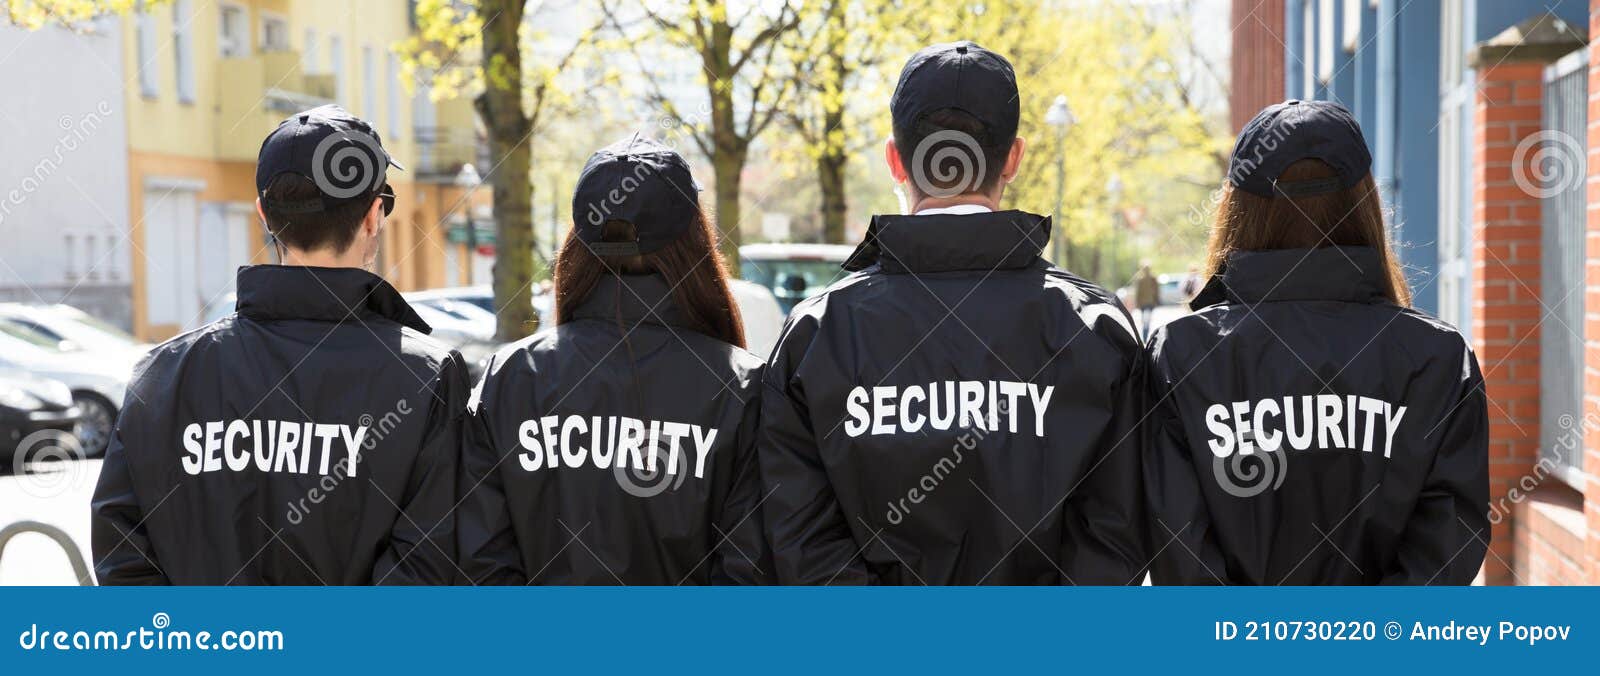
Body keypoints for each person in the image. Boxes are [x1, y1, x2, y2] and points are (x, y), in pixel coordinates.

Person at [759, 41, 1147, 585]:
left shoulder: (816, 334)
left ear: (895, 161)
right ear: (1013, 158)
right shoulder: (1095, 328)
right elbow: (1116, 538)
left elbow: (801, 543)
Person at [90, 105, 468, 585]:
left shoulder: (165, 372)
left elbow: (122, 559)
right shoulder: (426, 376)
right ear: (374, 216)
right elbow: (432, 564)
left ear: (264, 215)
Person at [1144, 100, 1489, 585]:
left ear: (1236, 209)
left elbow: (1178, 549)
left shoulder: (1181, 353)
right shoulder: (1436, 356)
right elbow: (1446, 547)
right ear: (1366, 205)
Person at [457, 135, 769, 585]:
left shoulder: (511, 378)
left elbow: (480, 563)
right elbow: (750, 570)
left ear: (577, 243)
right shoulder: (742, 387)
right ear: (695, 241)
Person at [1130, 262, 1160, 342]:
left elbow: (1156, 291)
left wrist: (1156, 301)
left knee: (1146, 321)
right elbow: (1138, 293)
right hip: (1145, 304)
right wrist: (1137, 303)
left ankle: (1145, 338)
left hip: (1149, 303)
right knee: (1146, 321)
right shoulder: (1141, 279)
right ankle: (1145, 338)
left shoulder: (1152, 279)